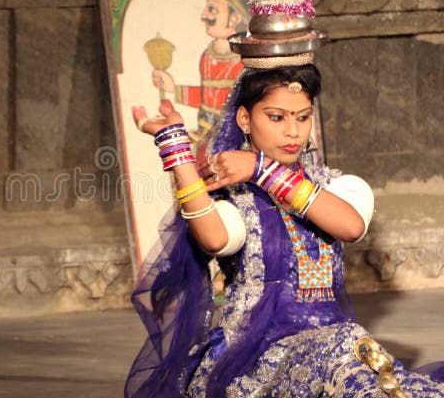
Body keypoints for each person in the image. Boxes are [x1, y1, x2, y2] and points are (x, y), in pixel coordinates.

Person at [128, 65, 444, 397]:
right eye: (277, 117)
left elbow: (350, 226)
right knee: (344, 344)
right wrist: (176, 149)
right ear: (245, 120)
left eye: (302, 117)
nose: (293, 132)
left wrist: (262, 169)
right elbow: (214, 237)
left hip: (334, 353)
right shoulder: (239, 201)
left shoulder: (339, 187)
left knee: (363, 363)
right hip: (259, 360)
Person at [152, 0, 250, 139]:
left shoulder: (247, 59)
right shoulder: (207, 56)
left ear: (234, 18)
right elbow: (207, 98)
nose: (204, 15)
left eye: (212, 9)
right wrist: (173, 89)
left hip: (236, 141)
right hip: (206, 137)